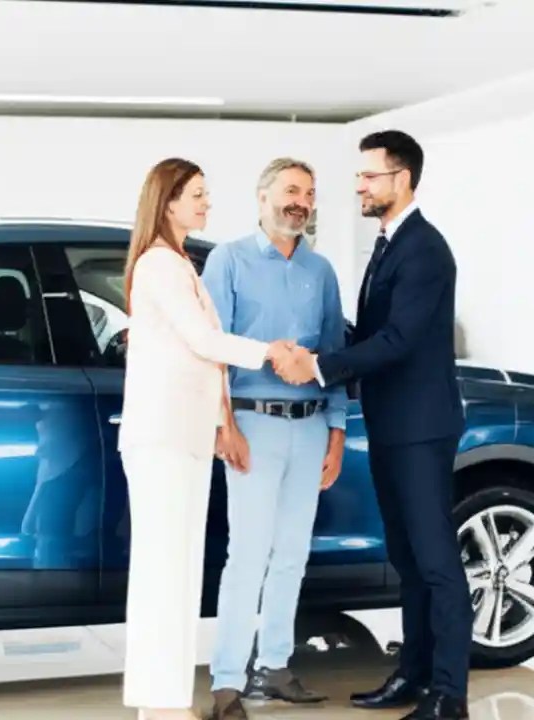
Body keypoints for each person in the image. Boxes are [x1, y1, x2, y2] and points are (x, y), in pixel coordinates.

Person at [277, 130, 470, 720]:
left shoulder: (425, 249)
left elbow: (399, 340)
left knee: (436, 562)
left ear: (402, 179)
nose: (358, 185)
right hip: (392, 425)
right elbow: (375, 333)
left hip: (420, 427)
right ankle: (413, 675)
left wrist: (318, 365)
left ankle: (449, 694)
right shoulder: (390, 243)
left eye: (369, 175)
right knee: (409, 560)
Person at [117, 157, 294, 720]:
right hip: (164, 439)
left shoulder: (178, 264)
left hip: (183, 438)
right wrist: (270, 351)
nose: (206, 202)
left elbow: (202, 355)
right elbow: (203, 340)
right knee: (163, 576)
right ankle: (160, 706)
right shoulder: (160, 266)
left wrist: (220, 423)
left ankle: (164, 702)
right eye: (196, 194)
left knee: (177, 573)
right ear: (167, 202)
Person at [200, 158, 347, 720]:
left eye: (309, 194)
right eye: (290, 191)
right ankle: (228, 682)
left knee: (291, 555)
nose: (301, 202)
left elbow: (333, 356)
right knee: (248, 555)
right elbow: (212, 348)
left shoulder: (323, 270)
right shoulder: (229, 260)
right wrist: (224, 426)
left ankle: (277, 666)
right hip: (253, 424)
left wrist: (336, 432)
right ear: (262, 198)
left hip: (310, 428)